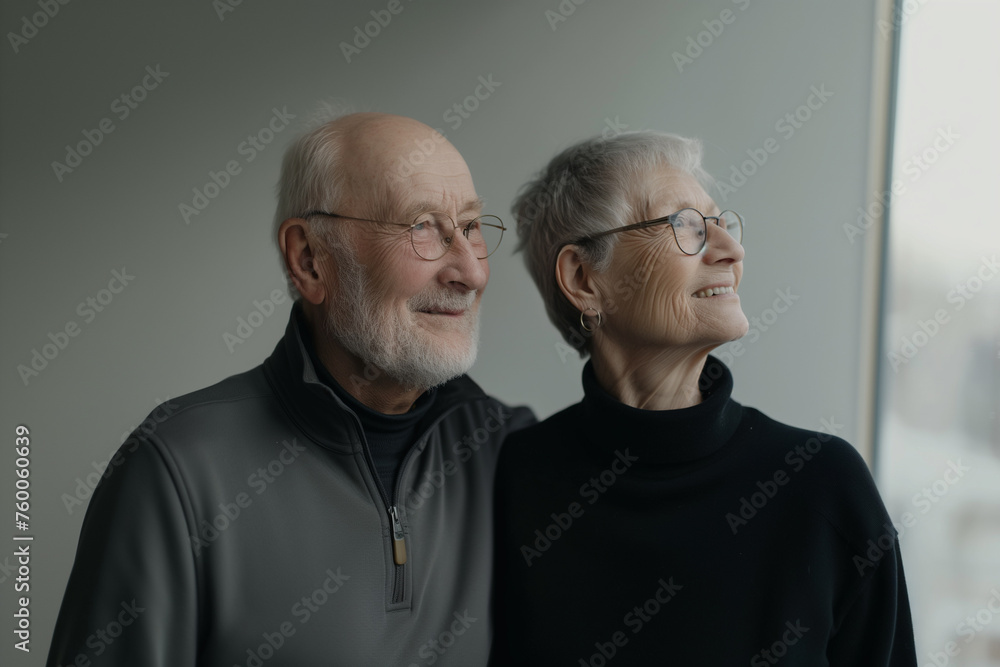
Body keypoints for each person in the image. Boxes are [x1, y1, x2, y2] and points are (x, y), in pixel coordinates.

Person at [47, 111, 534, 666]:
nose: (470, 272)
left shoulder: (511, 452)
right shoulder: (177, 470)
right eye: (422, 225)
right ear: (309, 260)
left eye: (470, 227)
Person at [491, 131, 916, 665]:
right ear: (584, 278)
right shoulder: (514, 479)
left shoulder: (823, 484)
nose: (732, 250)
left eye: (720, 224)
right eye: (686, 225)